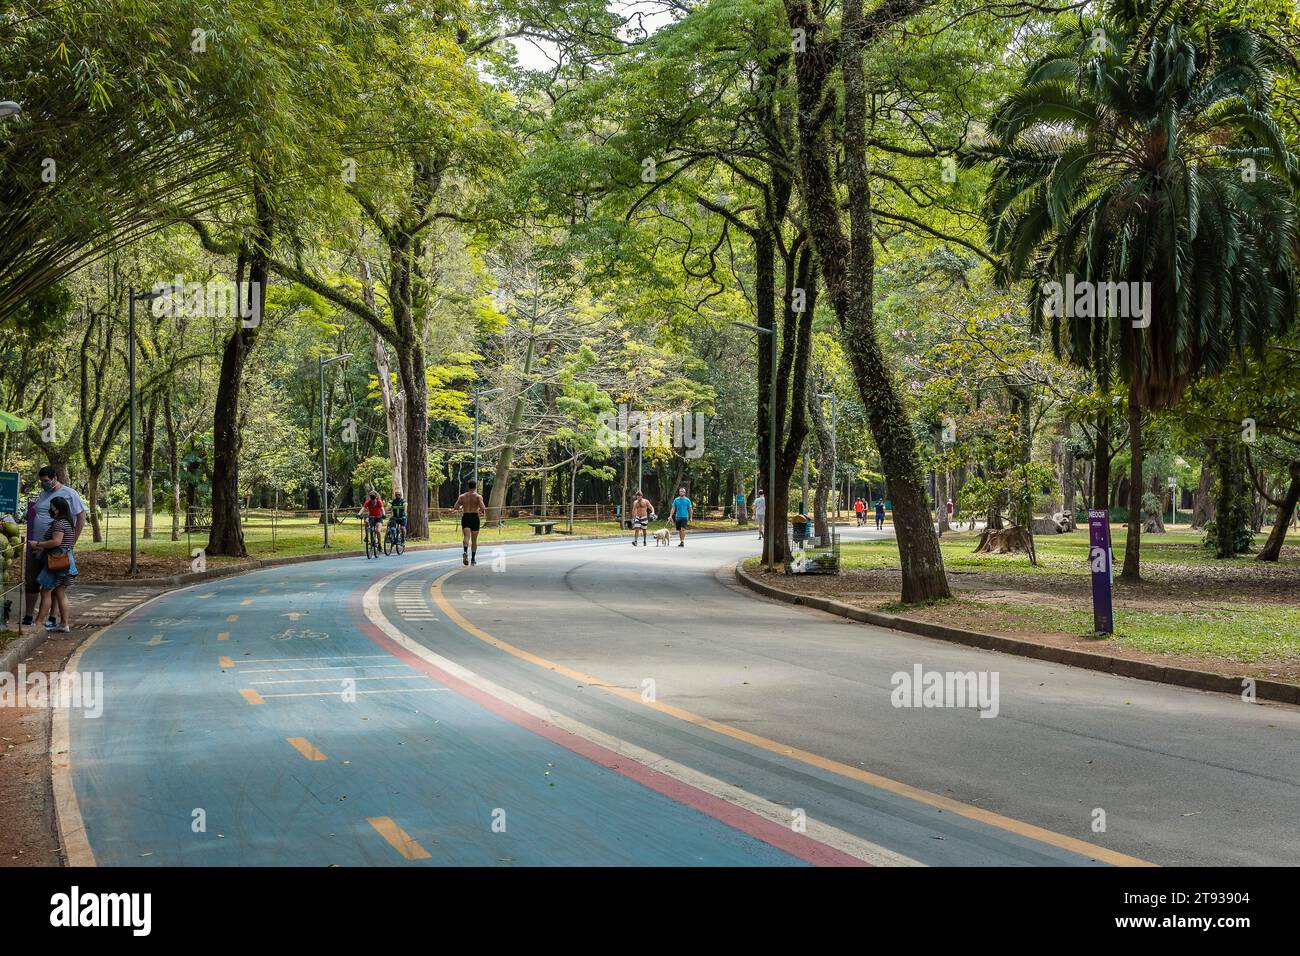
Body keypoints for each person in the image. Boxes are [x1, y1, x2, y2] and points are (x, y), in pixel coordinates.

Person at [23, 466, 86, 627]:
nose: (43, 484)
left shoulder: (69, 495)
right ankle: (34, 617)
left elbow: (81, 516)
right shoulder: (43, 494)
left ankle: (47, 620)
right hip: (40, 547)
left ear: (55, 478)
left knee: (52, 589)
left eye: (46, 481)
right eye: (41, 481)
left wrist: (72, 542)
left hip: (54, 550)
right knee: (33, 582)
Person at [31, 495, 77, 633]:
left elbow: (56, 542)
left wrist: (38, 544)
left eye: (51, 506)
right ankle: (64, 624)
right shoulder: (69, 523)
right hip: (67, 561)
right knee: (60, 592)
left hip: (56, 563)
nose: (49, 509)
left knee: (46, 591)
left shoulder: (59, 523)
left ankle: (38, 624)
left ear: (56, 509)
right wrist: (43, 547)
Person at [454, 480, 487, 565]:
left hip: (466, 517)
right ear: (475, 487)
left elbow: (456, 507)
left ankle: (465, 551)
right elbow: (483, 508)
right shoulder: (478, 497)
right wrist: (481, 510)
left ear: (468, 487)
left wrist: (461, 506)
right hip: (474, 517)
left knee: (466, 536)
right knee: (474, 539)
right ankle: (473, 559)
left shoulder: (462, 496)